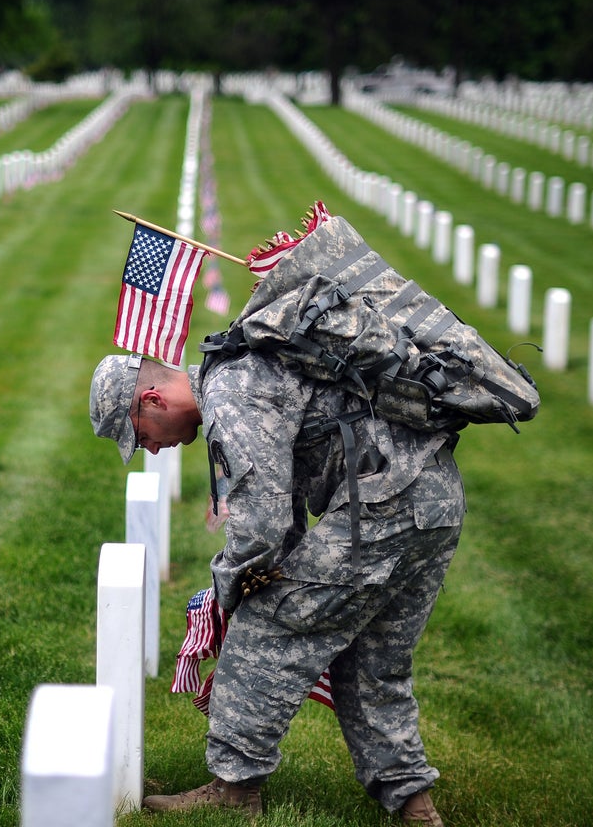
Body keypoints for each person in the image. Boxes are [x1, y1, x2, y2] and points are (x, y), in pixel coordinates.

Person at [90, 347, 465, 826]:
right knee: (374, 658)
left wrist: (223, 595)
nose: (154, 449)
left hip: (382, 505)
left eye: (142, 436)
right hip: (436, 502)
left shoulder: (228, 394)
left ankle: (234, 788)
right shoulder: (238, 375)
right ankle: (415, 804)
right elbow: (281, 522)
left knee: (266, 630)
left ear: (153, 399)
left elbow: (261, 529)